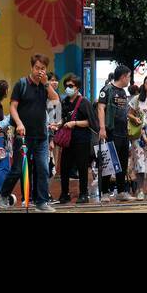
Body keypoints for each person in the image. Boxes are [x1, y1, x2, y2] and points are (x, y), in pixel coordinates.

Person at [8, 53, 57, 210]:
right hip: (23, 135)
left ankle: (41, 202)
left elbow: (55, 101)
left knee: (43, 168)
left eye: (43, 68)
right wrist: (19, 123)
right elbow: (13, 107)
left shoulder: (44, 87)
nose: (39, 71)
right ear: (31, 67)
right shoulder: (21, 84)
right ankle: (3, 194)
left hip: (42, 136)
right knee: (17, 169)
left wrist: (46, 83)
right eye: (37, 68)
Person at [55, 73, 93, 204]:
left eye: (70, 86)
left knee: (82, 167)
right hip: (67, 141)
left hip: (81, 140)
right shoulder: (64, 101)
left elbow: (90, 122)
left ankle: (84, 194)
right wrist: (58, 124)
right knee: (64, 168)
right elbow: (64, 118)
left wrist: (75, 123)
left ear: (77, 87)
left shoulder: (84, 102)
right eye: (66, 86)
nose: (67, 88)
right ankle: (64, 194)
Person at [96, 64, 133, 200]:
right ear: (123, 77)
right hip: (111, 132)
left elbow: (124, 110)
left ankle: (121, 192)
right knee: (109, 162)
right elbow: (100, 109)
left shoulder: (123, 92)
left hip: (123, 133)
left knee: (122, 162)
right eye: (128, 77)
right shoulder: (107, 90)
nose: (129, 80)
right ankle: (105, 192)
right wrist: (102, 128)